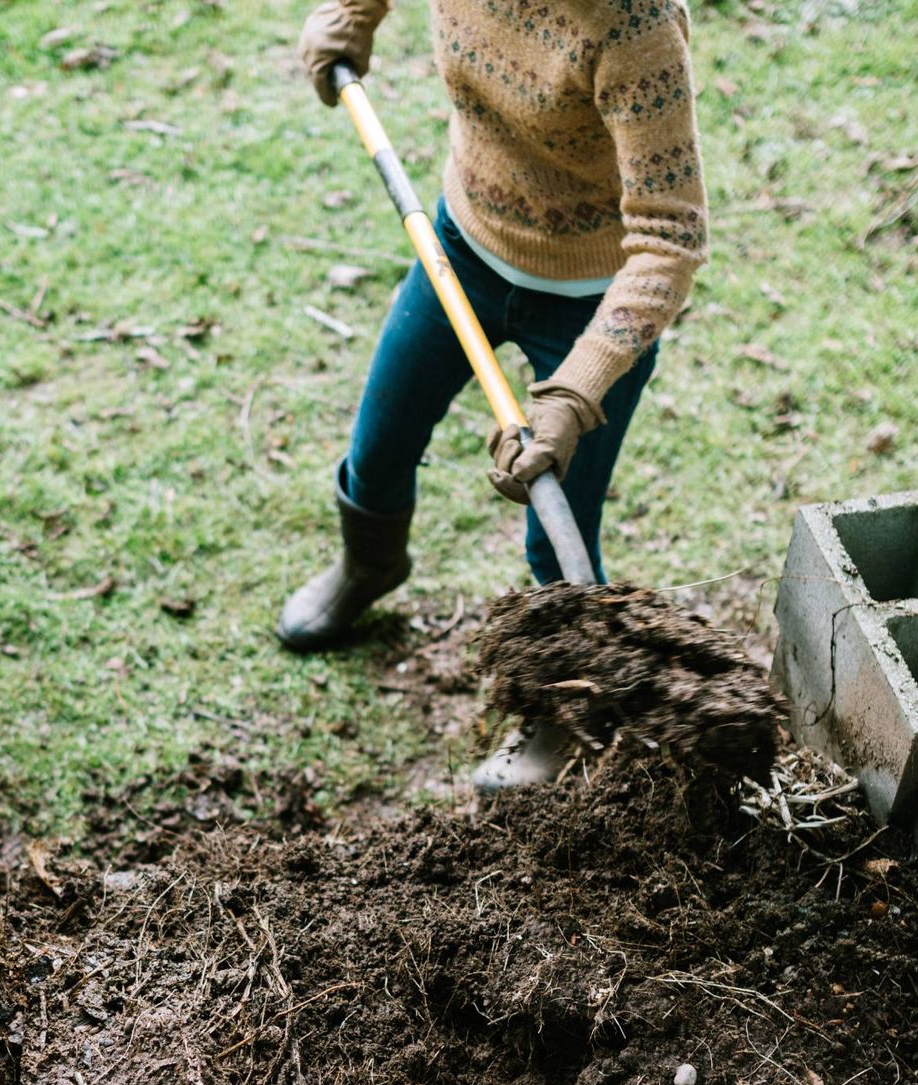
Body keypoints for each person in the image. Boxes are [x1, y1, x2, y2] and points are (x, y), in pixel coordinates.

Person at [281, 0, 709, 786]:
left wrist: (576, 394)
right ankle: (369, 566)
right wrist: (350, 12)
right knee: (378, 448)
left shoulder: (634, 29)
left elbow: (671, 238)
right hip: (461, 248)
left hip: (589, 300)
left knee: (559, 535)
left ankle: (560, 706)